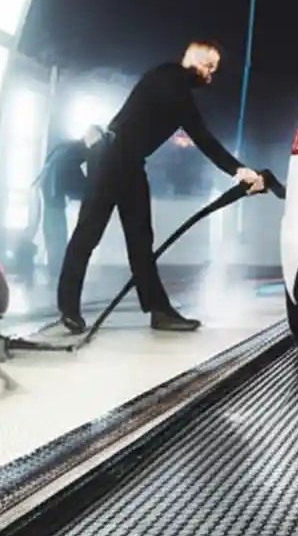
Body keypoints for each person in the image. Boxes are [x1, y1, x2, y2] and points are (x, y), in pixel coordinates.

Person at [56, 40, 264, 334]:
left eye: (214, 70)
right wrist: (238, 170)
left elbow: (204, 139)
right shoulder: (168, 76)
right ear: (192, 58)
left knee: (141, 241)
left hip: (131, 164)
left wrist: (238, 170)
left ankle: (159, 310)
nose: (210, 74)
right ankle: (68, 308)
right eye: (208, 65)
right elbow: (196, 122)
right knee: (89, 234)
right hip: (109, 157)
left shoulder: (182, 98)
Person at [35, 125, 104, 285]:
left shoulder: (66, 146)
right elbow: (73, 178)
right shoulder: (78, 151)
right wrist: (91, 191)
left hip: (46, 189)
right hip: (53, 193)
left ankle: (55, 272)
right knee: (57, 234)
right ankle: (58, 274)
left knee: (53, 233)